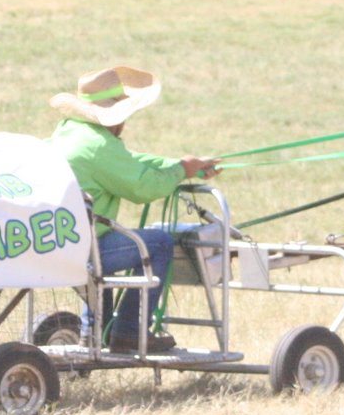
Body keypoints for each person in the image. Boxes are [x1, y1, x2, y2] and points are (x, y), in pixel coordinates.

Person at [46, 67, 218, 352]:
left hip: (58, 243)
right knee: (158, 244)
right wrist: (181, 170)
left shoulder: (70, 133)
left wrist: (181, 166)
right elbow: (144, 188)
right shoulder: (100, 146)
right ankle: (129, 331)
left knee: (110, 251)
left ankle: (96, 333)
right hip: (84, 249)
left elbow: (128, 162)